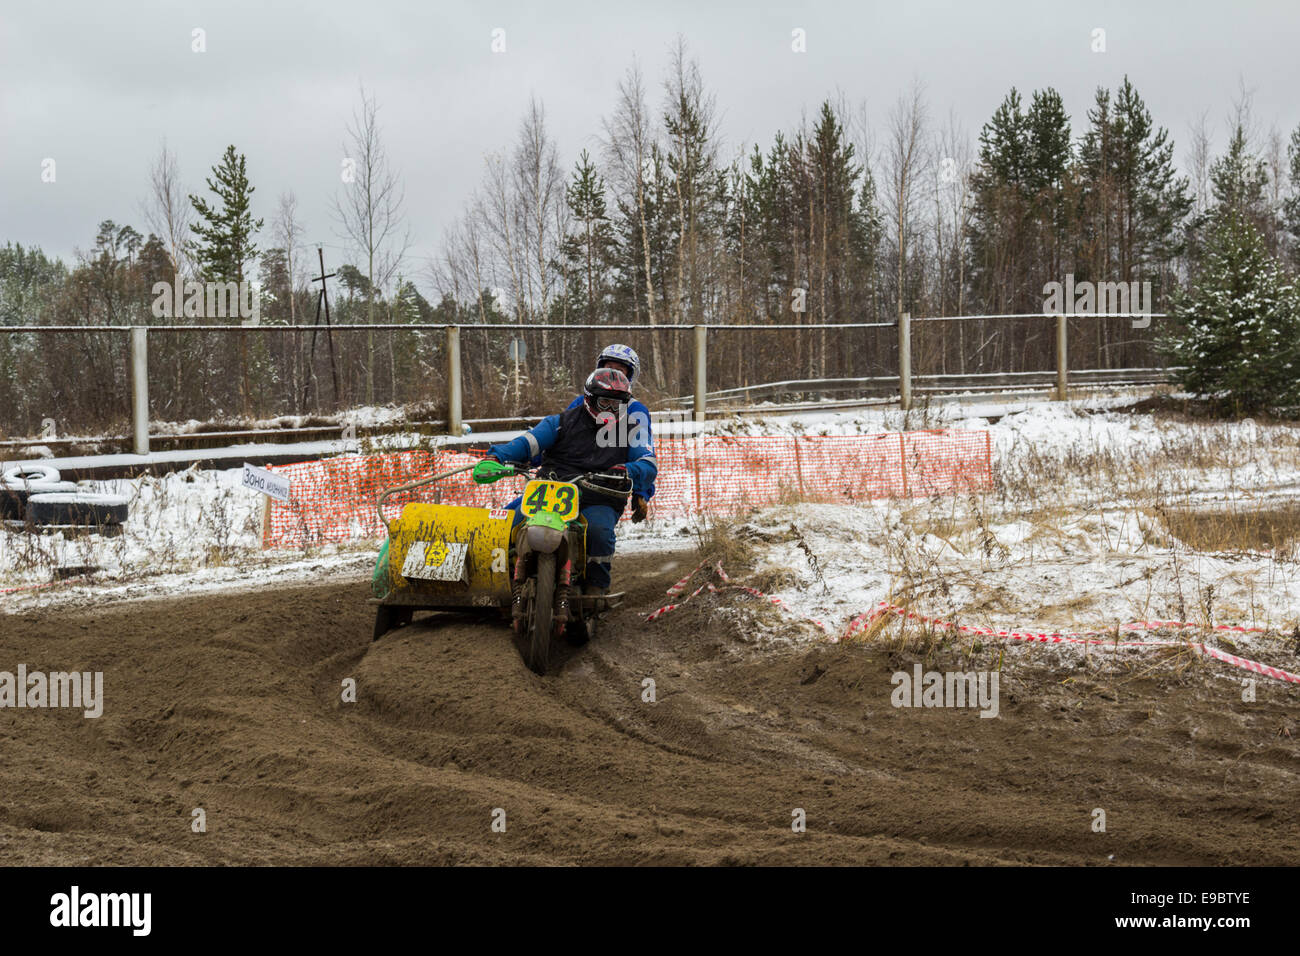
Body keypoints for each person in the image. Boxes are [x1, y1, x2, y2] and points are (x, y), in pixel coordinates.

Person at [485, 367, 657, 594]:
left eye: (617, 405)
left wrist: (627, 469)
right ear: (589, 399)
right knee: (507, 525)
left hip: (600, 496)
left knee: (599, 532)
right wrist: (498, 457)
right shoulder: (560, 422)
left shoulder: (632, 430)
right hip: (550, 490)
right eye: (605, 403)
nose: (611, 410)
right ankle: (500, 578)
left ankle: (596, 588)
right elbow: (528, 442)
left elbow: (648, 461)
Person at [564, 344, 652, 524]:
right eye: (609, 367)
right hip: (566, 476)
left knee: (597, 530)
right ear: (599, 369)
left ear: (629, 376)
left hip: (605, 482)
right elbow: (561, 434)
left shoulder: (635, 410)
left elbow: (643, 452)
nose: (613, 373)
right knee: (514, 517)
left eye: (620, 370)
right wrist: (532, 456)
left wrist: (641, 492)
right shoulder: (581, 401)